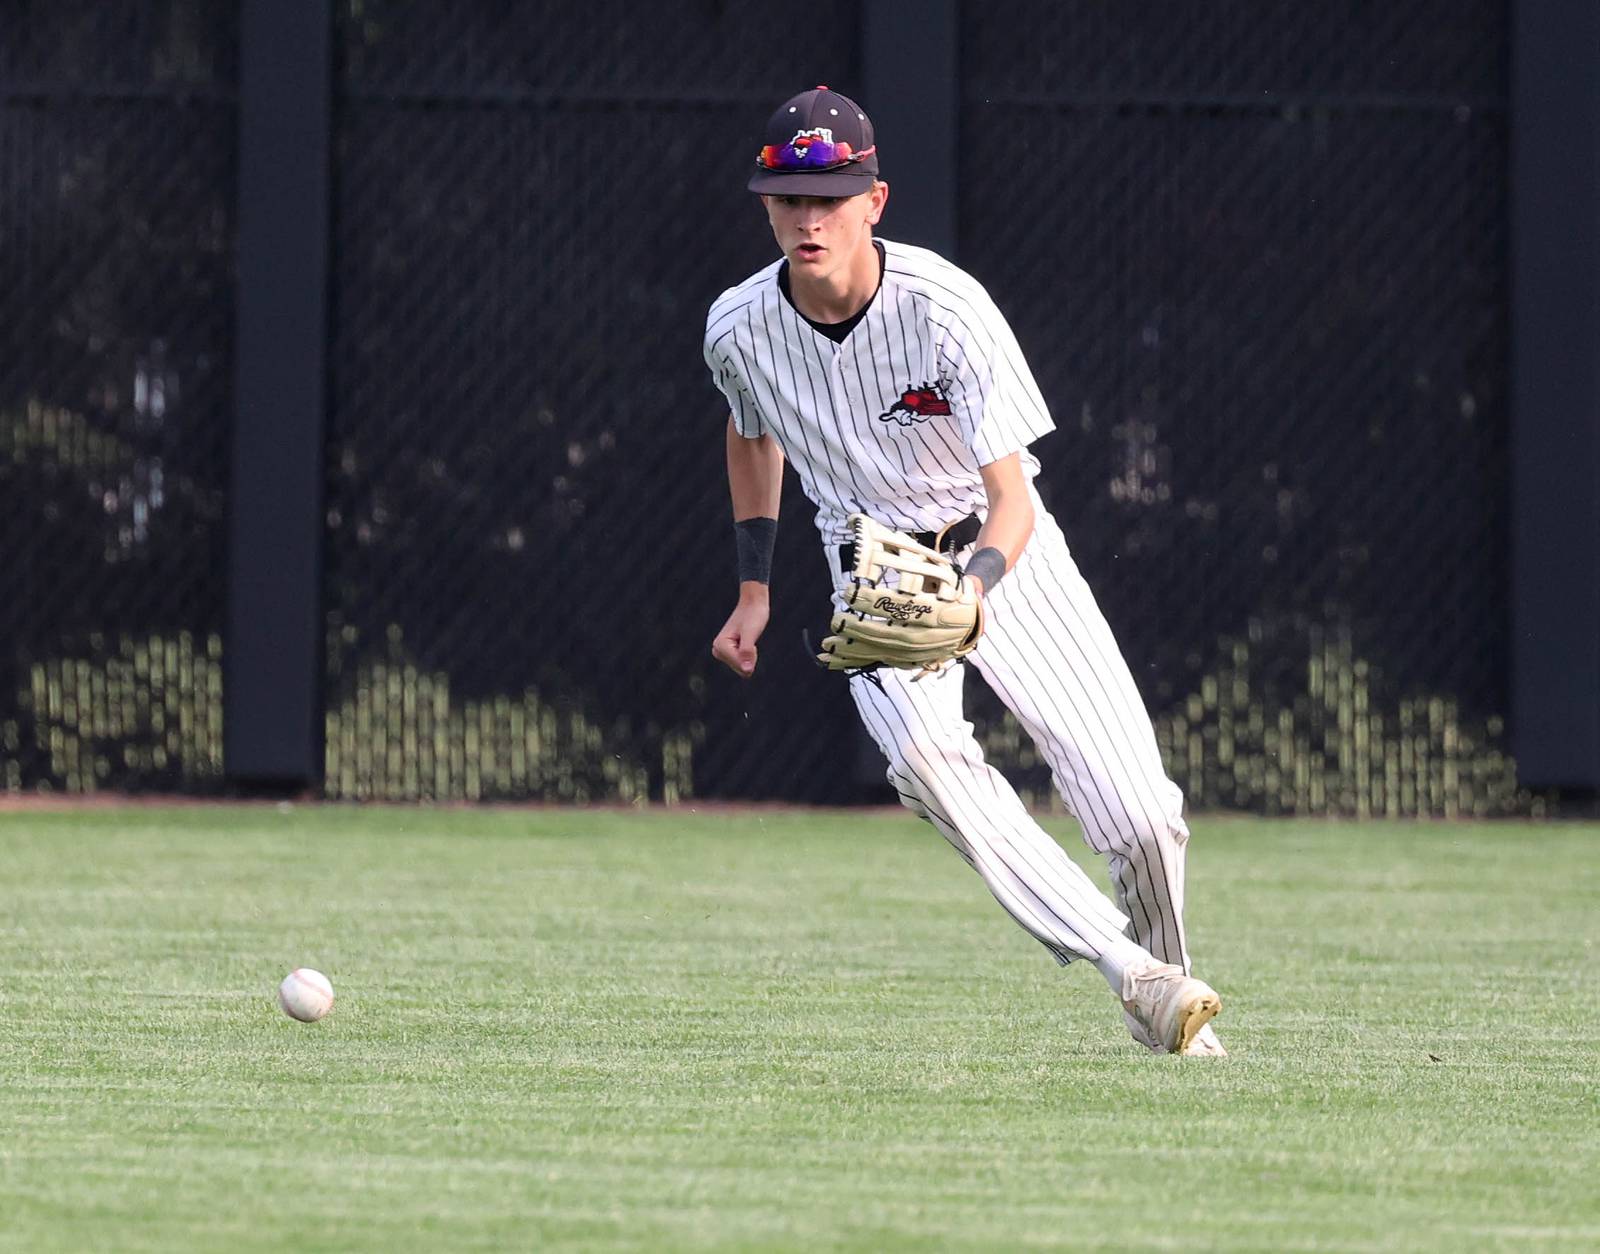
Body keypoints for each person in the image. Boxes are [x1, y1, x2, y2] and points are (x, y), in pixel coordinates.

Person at [703, 86, 1226, 1056]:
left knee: (1145, 819)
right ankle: (1131, 974)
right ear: (764, 206)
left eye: (831, 194)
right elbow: (750, 434)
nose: (809, 217)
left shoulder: (945, 309)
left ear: (875, 201)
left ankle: (1167, 1000)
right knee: (927, 766)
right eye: (789, 198)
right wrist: (754, 588)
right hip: (872, 565)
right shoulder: (737, 328)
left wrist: (972, 587)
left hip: (1001, 557)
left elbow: (1013, 498)